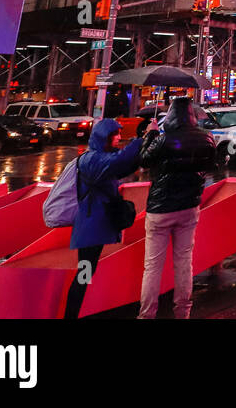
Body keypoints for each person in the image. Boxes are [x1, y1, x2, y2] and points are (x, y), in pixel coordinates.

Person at [137, 96, 216, 319]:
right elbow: (211, 165)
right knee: (184, 262)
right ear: (192, 115)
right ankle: (183, 312)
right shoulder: (206, 139)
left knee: (152, 267)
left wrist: (151, 133)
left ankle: (146, 315)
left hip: (161, 209)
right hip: (189, 207)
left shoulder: (163, 139)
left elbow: (144, 160)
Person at [65, 118, 143, 319]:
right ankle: (72, 314)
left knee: (86, 273)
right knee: (84, 275)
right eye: (114, 135)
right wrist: (141, 139)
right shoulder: (92, 160)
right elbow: (120, 162)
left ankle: (76, 311)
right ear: (103, 137)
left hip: (93, 228)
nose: (118, 138)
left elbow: (124, 165)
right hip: (90, 230)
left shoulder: (98, 157)